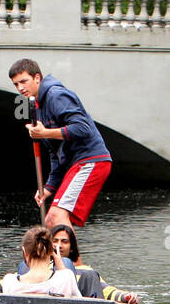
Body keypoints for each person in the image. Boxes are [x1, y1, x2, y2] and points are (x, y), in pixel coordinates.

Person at [9, 58, 112, 229]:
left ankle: (63, 257)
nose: (20, 88)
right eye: (16, 84)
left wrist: (45, 133)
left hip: (91, 160)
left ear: (37, 78)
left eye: (23, 81)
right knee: (53, 221)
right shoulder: (38, 106)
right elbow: (55, 152)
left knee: (56, 217)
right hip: (77, 164)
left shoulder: (56, 95)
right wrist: (49, 187)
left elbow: (82, 128)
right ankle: (66, 257)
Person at [0, 226, 81, 298]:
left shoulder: (10, 281)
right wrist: (59, 262)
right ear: (51, 251)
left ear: (25, 252)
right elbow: (81, 303)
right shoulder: (66, 277)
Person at [48, 223, 138, 304]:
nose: (59, 245)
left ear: (71, 248)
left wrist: (125, 296)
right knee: (65, 262)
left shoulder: (85, 271)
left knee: (89, 275)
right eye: (55, 241)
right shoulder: (40, 268)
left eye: (64, 241)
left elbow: (106, 290)